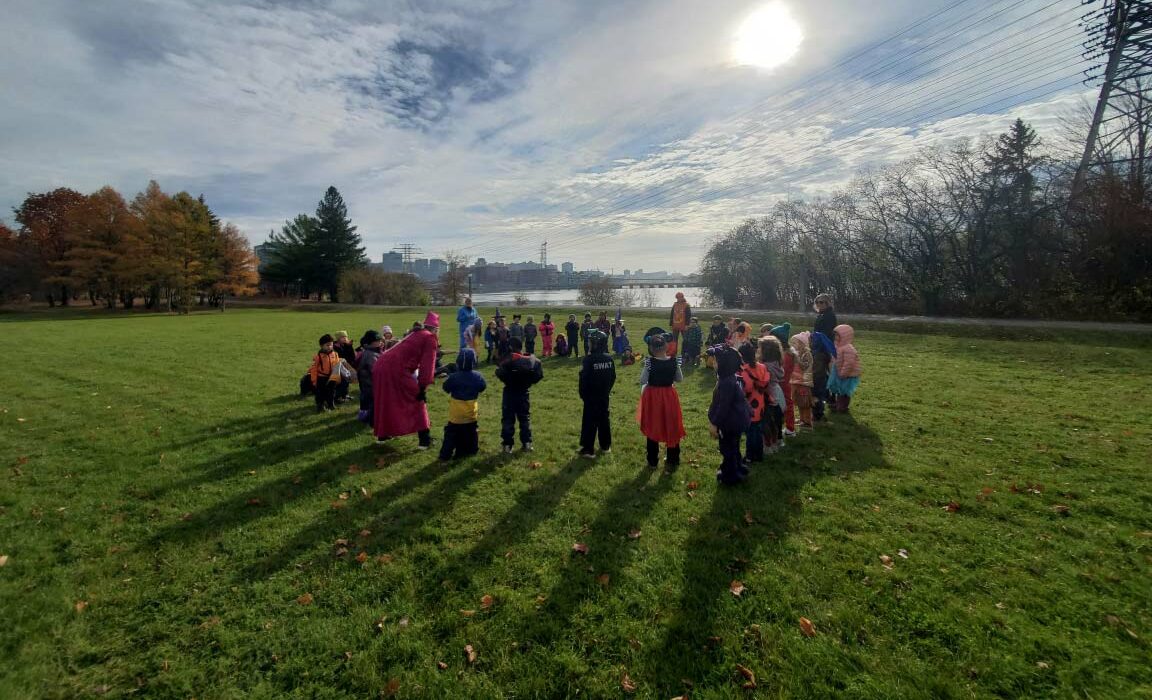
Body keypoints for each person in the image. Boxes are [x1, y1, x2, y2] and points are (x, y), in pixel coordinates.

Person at [372, 312, 441, 449]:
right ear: (435, 329)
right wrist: (422, 387)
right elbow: (428, 365)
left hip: (380, 365)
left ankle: (383, 435)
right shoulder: (430, 338)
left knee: (387, 400)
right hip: (396, 369)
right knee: (418, 401)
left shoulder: (415, 333)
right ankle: (424, 441)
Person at [637, 332, 685, 470]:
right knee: (672, 425)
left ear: (651, 349)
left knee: (653, 425)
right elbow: (679, 379)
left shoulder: (649, 362)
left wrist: (647, 368)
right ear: (666, 346)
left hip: (653, 397)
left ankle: (652, 461)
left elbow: (642, 380)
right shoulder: (674, 361)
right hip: (669, 396)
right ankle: (673, 459)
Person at [707, 344, 752, 486]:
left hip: (731, 423)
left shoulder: (726, 383)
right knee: (734, 446)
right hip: (737, 420)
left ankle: (730, 475)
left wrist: (714, 423)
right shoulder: (730, 377)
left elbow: (723, 407)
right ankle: (739, 467)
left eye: (715, 360)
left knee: (727, 448)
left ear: (723, 364)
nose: (712, 363)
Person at [495, 337, 544, 453]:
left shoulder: (508, 360)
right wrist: (529, 382)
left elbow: (499, 372)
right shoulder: (531, 360)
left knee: (507, 419)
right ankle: (527, 443)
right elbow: (538, 375)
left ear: (510, 347)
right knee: (524, 418)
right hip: (523, 392)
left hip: (509, 392)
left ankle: (507, 446)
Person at [439, 347, 486, 461]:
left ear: (458, 361)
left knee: (451, 434)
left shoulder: (454, 377)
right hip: (471, 412)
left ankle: (445, 456)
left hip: (456, 413)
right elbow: (482, 387)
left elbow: (446, 388)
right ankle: (472, 450)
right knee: (471, 431)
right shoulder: (478, 376)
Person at [578, 330, 616, 458]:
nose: (588, 344)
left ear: (595, 344)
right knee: (604, 419)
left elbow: (583, 379)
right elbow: (613, 377)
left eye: (590, 342)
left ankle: (588, 449)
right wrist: (606, 390)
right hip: (604, 396)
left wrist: (584, 395)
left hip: (590, 397)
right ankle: (605, 446)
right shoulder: (609, 359)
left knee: (589, 422)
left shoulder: (588, 360)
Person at [738, 341, 769, 464]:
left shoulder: (744, 370)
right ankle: (759, 454)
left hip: (750, 405)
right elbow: (765, 380)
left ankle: (750, 456)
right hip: (760, 403)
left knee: (750, 433)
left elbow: (747, 388)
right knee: (758, 431)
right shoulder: (761, 367)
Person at [758, 336, 787, 454]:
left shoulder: (765, 366)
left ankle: (768, 446)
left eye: (760, 348)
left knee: (767, 421)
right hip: (777, 392)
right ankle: (778, 441)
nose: (758, 350)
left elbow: (763, 382)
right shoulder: (776, 363)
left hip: (768, 395)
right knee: (777, 419)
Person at [827, 324, 861, 413]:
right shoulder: (838, 346)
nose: (835, 337)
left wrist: (843, 373)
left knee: (845, 392)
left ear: (844, 336)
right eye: (835, 335)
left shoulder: (848, 349)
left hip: (848, 374)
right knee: (839, 389)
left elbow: (849, 363)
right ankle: (838, 404)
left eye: (837, 335)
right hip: (839, 371)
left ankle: (843, 407)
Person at [770, 323, 796, 436]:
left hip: (782, 384)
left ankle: (790, 429)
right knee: (785, 405)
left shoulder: (785, 356)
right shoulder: (786, 353)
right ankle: (786, 427)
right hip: (783, 384)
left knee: (785, 406)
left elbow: (781, 373)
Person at [308, 334, 342, 413]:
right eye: (327, 345)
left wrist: (337, 377)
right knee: (320, 393)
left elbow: (337, 366)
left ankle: (331, 404)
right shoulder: (318, 357)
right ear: (321, 346)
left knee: (331, 391)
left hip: (332, 377)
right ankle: (320, 405)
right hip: (321, 378)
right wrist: (314, 380)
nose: (330, 347)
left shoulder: (335, 354)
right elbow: (313, 369)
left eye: (331, 345)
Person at [356, 330, 384, 424]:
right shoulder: (370, 354)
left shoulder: (374, 351)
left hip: (368, 383)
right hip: (370, 384)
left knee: (367, 402)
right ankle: (372, 420)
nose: (380, 342)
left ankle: (365, 417)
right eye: (378, 340)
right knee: (373, 403)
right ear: (371, 342)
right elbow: (375, 370)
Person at [789, 331, 815, 429]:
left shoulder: (807, 354)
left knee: (805, 403)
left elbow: (804, 367)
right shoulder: (798, 353)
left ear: (802, 344)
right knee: (799, 401)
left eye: (795, 343)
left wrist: (797, 359)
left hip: (804, 382)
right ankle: (802, 419)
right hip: (796, 380)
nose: (793, 345)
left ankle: (807, 422)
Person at [809, 331, 836, 422]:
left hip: (817, 379)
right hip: (821, 378)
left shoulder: (819, 355)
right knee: (818, 397)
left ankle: (818, 415)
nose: (810, 342)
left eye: (811, 340)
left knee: (816, 397)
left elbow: (817, 370)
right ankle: (818, 414)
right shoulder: (820, 353)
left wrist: (811, 378)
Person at [669, 291, 691, 356]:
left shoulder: (686, 305)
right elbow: (672, 314)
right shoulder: (675, 305)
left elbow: (688, 316)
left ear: (682, 297)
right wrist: (670, 324)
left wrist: (687, 325)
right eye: (677, 297)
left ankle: (686, 353)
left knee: (685, 340)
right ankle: (673, 353)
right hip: (675, 325)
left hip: (683, 326)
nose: (678, 299)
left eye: (680, 297)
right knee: (674, 340)